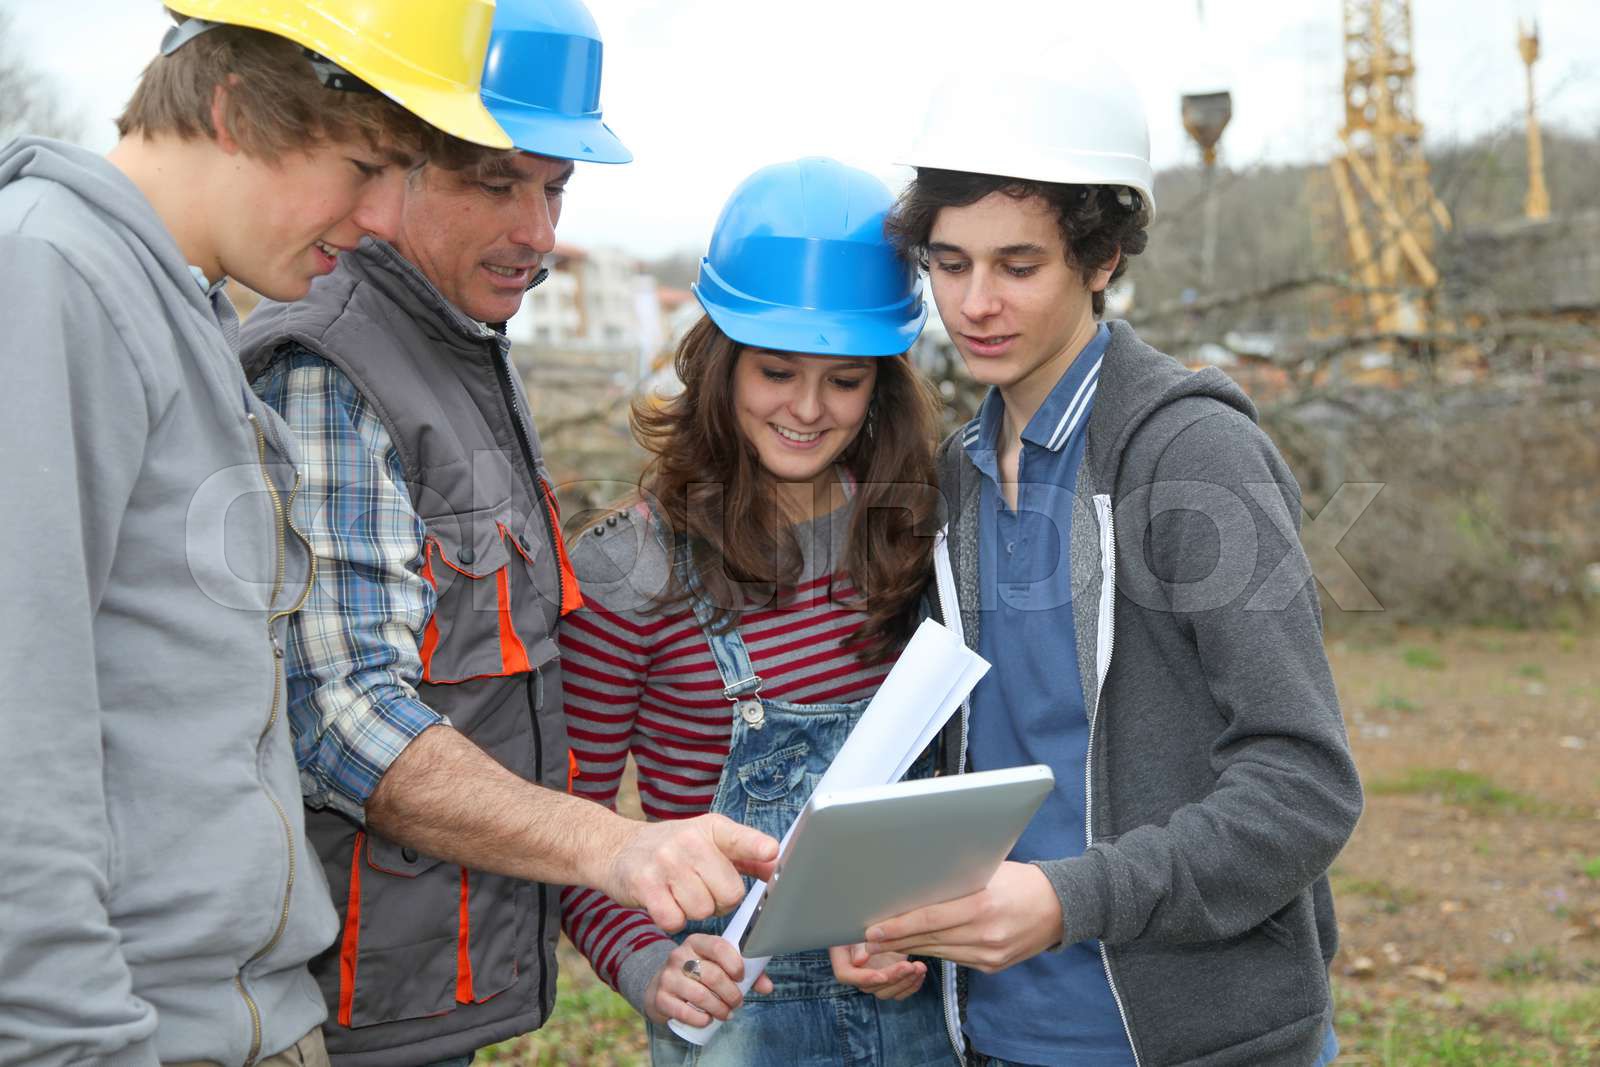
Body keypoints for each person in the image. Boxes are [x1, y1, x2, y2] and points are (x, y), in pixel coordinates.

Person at [237, 4, 778, 1065]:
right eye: (496, 181)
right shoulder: (332, 367)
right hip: (352, 999)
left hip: (440, 981)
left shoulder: (462, 349)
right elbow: (338, 709)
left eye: (555, 187)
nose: (537, 231)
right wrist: (611, 844)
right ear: (388, 159)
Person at [0, 2, 511, 1064]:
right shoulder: (48, 279)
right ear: (237, 111)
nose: (378, 217)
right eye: (363, 164)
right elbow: (20, 730)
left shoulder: (179, 310)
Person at [860, 68, 1364, 1066]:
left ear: (1099, 258)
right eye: (949, 263)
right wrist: (876, 900)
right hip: (994, 1032)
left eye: (1017, 264)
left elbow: (1302, 783)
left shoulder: (1191, 455)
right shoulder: (956, 473)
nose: (974, 302)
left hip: (1199, 1039)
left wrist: (1063, 899)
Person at [557, 157, 953, 1066]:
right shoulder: (629, 564)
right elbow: (572, 823)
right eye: (777, 371)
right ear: (720, 361)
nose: (808, 410)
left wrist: (909, 924)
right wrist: (645, 960)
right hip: (738, 1015)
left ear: (883, 381)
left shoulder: (919, 535)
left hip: (922, 1015)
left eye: (845, 380)